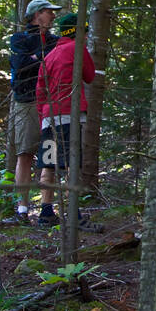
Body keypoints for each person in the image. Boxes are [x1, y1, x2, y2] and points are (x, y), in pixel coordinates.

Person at [35, 12, 95, 227]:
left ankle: (46, 213)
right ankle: (74, 215)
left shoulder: (49, 55)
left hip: (48, 119)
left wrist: (43, 115)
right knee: (71, 164)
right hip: (69, 116)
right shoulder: (77, 50)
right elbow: (90, 75)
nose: (87, 36)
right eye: (84, 31)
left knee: (48, 164)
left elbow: (40, 89)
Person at [6, 0, 61, 225]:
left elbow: (54, 64)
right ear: (37, 14)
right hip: (26, 101)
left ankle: (46, 210)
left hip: (49, 102)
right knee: (25, 153)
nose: (53, 16)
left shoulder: (56, 41)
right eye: (49, 12)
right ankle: (22, 210)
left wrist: (34, 58)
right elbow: (20, 66)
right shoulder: (19, 39)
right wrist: (39, 57)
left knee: (50, 153)